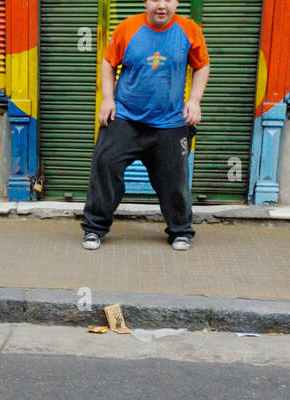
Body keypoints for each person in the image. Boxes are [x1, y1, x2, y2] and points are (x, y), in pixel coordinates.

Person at [80, 0, 209, 252]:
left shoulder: (189, 29)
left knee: (175, 181)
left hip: (169, 123)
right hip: (126, 118)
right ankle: (94, 228)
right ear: (145, 1)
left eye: (169, 0)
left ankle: (180, 231)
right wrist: (108, 99)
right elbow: (108, 63)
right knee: (104, 165)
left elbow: (201, 65)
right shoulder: (127, 28)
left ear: (177, 2)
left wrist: (194, 101)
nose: (162, 6)